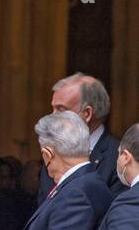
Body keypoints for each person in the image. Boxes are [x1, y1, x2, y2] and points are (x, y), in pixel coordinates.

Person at [39, 73, 121, 202]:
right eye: (52, 108)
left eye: (61, 109)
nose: (52, 117)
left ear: (87, 113)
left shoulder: (119, 157)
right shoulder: (53, 153)